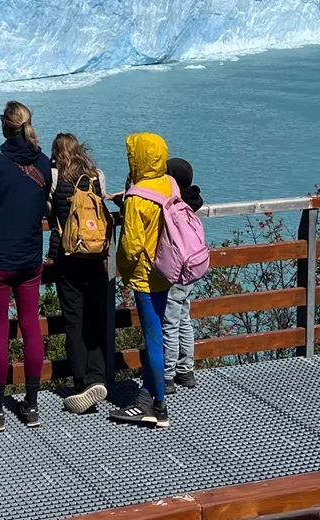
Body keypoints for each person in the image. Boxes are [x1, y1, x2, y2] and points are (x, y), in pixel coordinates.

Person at [0, 101, 52, 431]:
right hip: (31, 259)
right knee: (31, 325)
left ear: (5, 126)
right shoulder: (44, 164)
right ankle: (31, 406)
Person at [108, 132, 173, 428]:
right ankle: (149, 394)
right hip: (167, 269)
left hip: (146, 275)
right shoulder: (168, 183)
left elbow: (131, 246)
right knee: (157, 332)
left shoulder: (137, 197)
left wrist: (121, 270)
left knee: (152, 338)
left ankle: (158, 406)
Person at [48, 133, 111, 415]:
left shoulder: (53, 177)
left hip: (68, 256)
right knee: (94, 318)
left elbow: (49, 211)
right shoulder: (96, 176)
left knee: (73, 321)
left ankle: (80, 383)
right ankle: (97, 377)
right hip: (96, 257)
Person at [161, 157, 203, 392]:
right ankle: (186, 371)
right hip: (191, 266)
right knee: (184, 317)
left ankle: (167, 375)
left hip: (175, 268)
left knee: (170, 321)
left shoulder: (172, 203)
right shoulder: (192, 202)